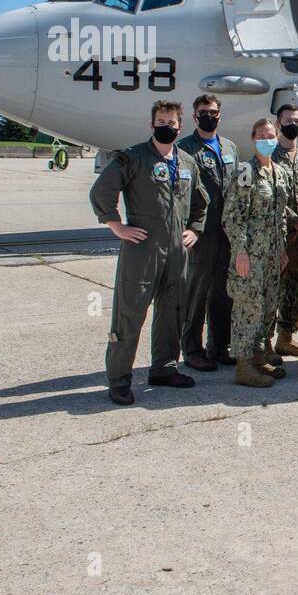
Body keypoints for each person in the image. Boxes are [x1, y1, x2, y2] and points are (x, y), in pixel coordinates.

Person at [90, 100, 208, 405]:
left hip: (177, 254)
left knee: (172, 313)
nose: (166, 127)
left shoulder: (187, 163)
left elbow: (200, 203)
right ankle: (119, 380)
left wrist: (194, 229)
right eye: (161, 121)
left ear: (181, 126)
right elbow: (102, 191)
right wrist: (116, 225)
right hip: (142, 252)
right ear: (151, 124)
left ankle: (164, 369)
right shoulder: (133, 158)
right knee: (129, 316)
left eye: (171, 123)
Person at [222, 119, 294, 388]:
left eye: (271, 135)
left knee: (267, 307)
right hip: (250, 256)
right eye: (262, 135)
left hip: (273, 255)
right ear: (253, 139)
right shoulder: (245, 172)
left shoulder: (280, 172)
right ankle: (243, 365)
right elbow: (233, 217)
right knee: (247, 309)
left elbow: (281, 217)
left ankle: (258, 355)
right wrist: (240, 251)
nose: (267, 139)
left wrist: (283, 249)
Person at [178, 94, 238, 371]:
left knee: (223, 294)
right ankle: (191, 349)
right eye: (204, 112)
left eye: (213, 112)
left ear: (219, 116)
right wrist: (188, 228)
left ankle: (219, 347)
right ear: (194, 117)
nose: (209, 116)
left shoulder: (229, 147)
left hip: (226, 232)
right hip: (201, 232)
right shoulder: (185, 149)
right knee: (196, 293)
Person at [271, 103, 298, 359]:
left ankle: (286, 337)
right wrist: (294, 220)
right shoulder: (270, 156)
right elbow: (271, 198)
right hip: (280, 233)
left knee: (295, 288)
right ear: (277, 124)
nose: (292, 124)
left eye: (296, 120)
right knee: (273, 287)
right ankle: (262, 340)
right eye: (287, 120)